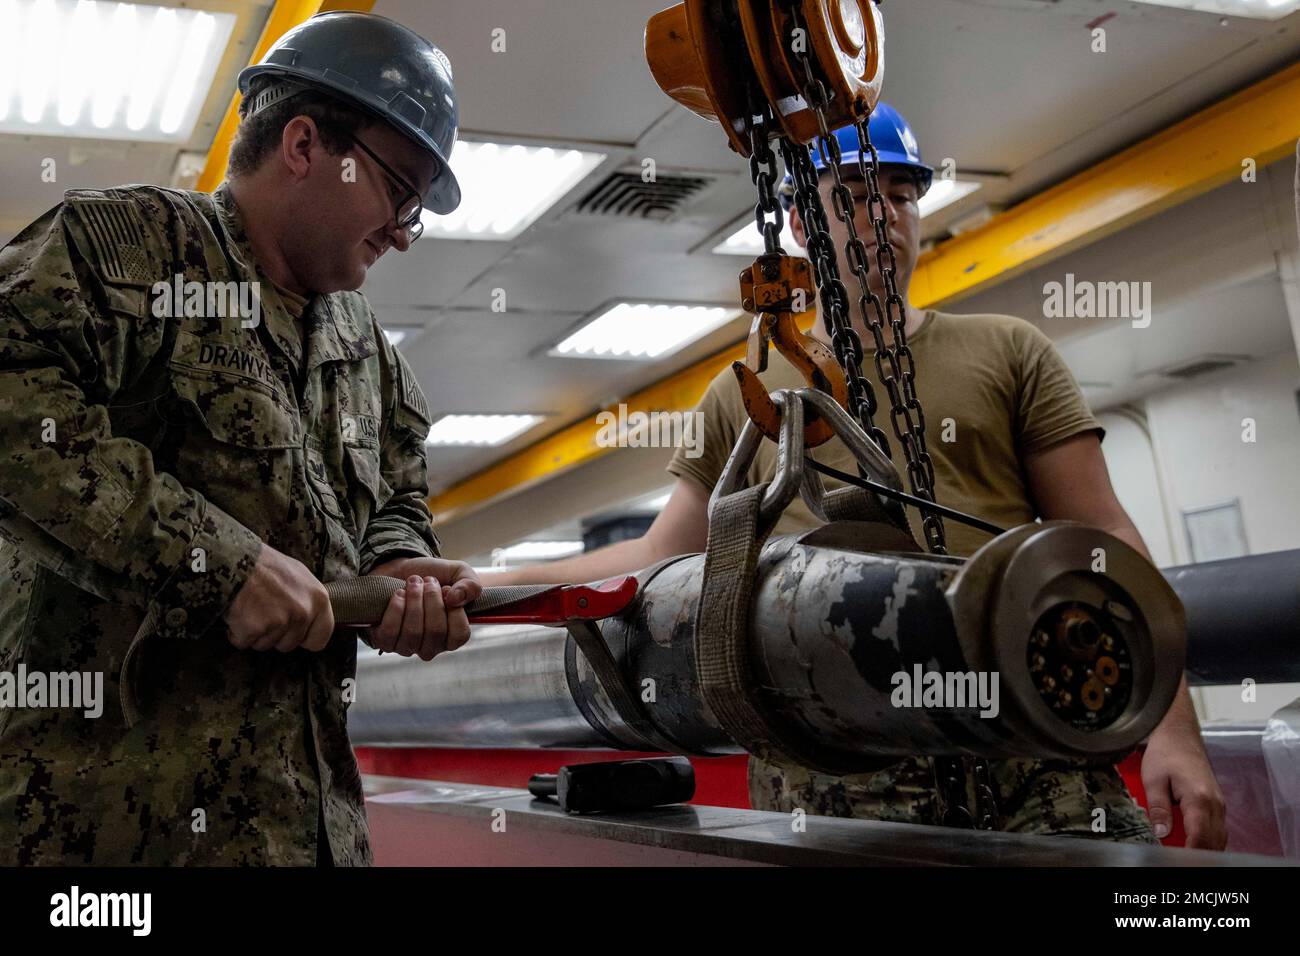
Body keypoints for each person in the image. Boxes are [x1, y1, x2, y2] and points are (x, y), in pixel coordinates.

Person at [484, 104, 1227, 848]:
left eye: (901, 195)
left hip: (1020, 730)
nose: (884, 216)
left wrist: (1174, 731)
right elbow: (661, 560)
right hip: (830, 757)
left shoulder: (1009, 351)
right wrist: (490, 584)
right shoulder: (749, 388)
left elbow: (1102, 537)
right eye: (854, 195)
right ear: (802, 224)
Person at [0, 11, 480, 866]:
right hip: (103, 835)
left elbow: (398, 500)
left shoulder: (371, 357)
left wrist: (399, 567)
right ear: (304, 145)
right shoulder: (131, 256)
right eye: (399, 191)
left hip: (300, 832)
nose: (406, 230)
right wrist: (216, 562)